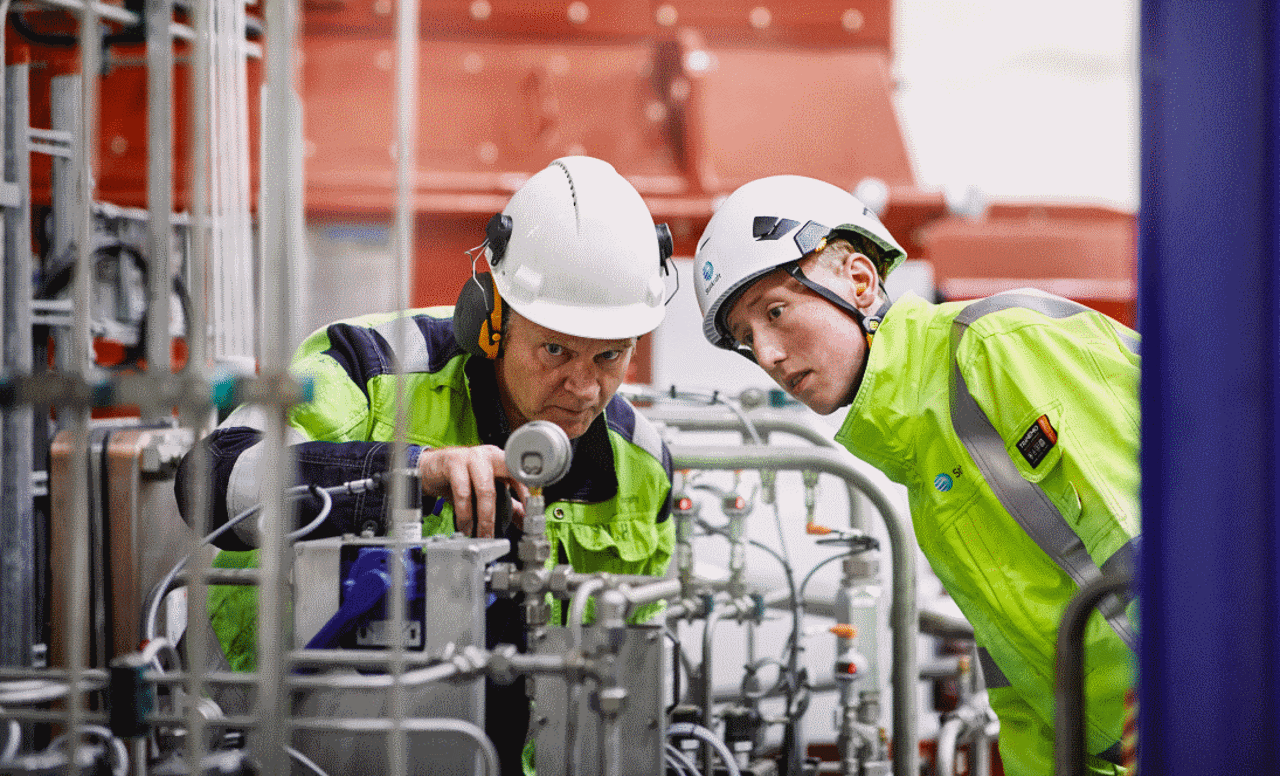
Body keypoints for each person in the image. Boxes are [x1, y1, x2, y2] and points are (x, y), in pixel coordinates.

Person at [175, 156, 677, 775]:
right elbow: (212, 478)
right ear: (490, 318)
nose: (583, 387)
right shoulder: (371, 367)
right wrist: (411, 473)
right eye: (554, 349)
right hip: (260, 738)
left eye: (610, 356)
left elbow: (630, 687)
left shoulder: (641, 466)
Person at [692, 175, 1139, 775]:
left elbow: (1166, 571)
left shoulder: (998, 348)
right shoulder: (927, 464)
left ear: (858, 280)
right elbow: (1024, 683)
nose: (768, 355)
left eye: (777, 312)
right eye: (748, 339)